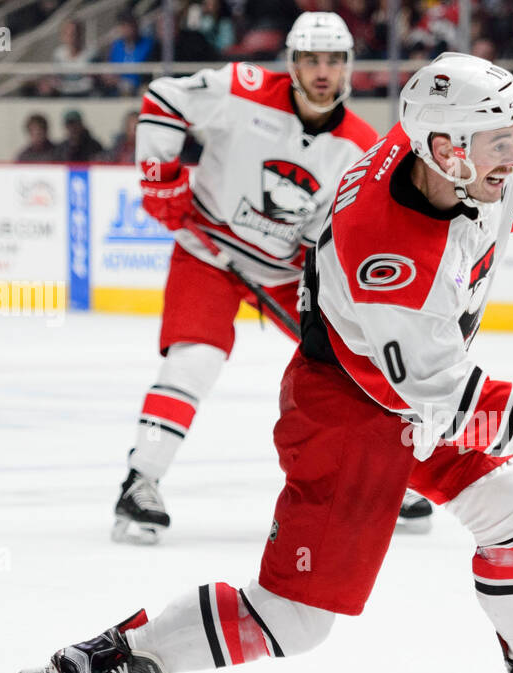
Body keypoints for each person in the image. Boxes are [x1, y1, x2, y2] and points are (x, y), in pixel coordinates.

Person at [16, 52, 513, 673]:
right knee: (294, 618)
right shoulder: (391, 255)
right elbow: (441, 398)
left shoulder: (451, 158)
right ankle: (105, 662)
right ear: (444, 149)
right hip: (348, 413)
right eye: (497, 140)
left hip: (400, 391)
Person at [109, 11, 412, 545]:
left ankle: (391, 476)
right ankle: (141, 481)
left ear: (349, 68)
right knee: (196, 358)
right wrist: (161, 179)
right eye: (311, 60)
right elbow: (165, 95)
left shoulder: (362, 146)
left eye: (334, 61)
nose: (322, 72)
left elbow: (348, 234)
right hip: (208, 250)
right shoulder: (244, 88)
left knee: (355, 362)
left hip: (285, 270)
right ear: (291, 64)